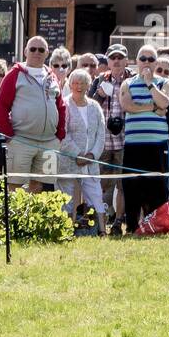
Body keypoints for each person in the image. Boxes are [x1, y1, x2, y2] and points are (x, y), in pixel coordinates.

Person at [0, 35, 66, 193]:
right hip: (21, 140)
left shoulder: (52, 76)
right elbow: (0, 107)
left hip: (49, 142)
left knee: (41, 187)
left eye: (41, 49)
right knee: (15, 186)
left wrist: (59, 135)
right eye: (33, 49)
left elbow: (61, 106)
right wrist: (10, 136)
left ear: (47, 53)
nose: (37, 52)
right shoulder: (13, 75)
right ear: (25, 51)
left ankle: (35, 218)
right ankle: (16, 218)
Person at [119, 46, 169, 232]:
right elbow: (127, 105)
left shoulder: (164, 82)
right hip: (134, 144)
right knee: (132, 186)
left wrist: (150, 84)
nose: (147, 62)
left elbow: (164, 103)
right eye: (143, 58)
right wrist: (152, 108)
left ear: (156, 62)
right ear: (137, 61)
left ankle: (158, 226)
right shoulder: (127, 83)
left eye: (151, 59)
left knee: (158, 186)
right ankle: (133, 227)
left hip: (158, 144)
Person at [59, 68, 107, 234]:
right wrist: (77, 154)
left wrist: (92, 155)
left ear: (88, 85)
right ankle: (67, 231)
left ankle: (101, 230)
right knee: (67, 199)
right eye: (75, 83)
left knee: (96, 195)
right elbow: (63, 134)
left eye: (83, 83)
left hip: (90, 163)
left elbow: (101, 134)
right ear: (70, 84)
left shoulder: (95, 107)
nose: (79, 86)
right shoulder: (64, 105)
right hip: (69, 161)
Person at [94, 44, 131, 232]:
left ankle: (118, 222)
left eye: (120, 57)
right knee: (101, 183)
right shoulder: (101, 79)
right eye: (113, 58)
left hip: (126, 140)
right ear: (108, 61)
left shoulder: (133, 79)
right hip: (105, 141)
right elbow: (91, 106)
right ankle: (100, 222)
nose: (116, 61)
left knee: (123, 184)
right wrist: (99, 96)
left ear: (126, 60)